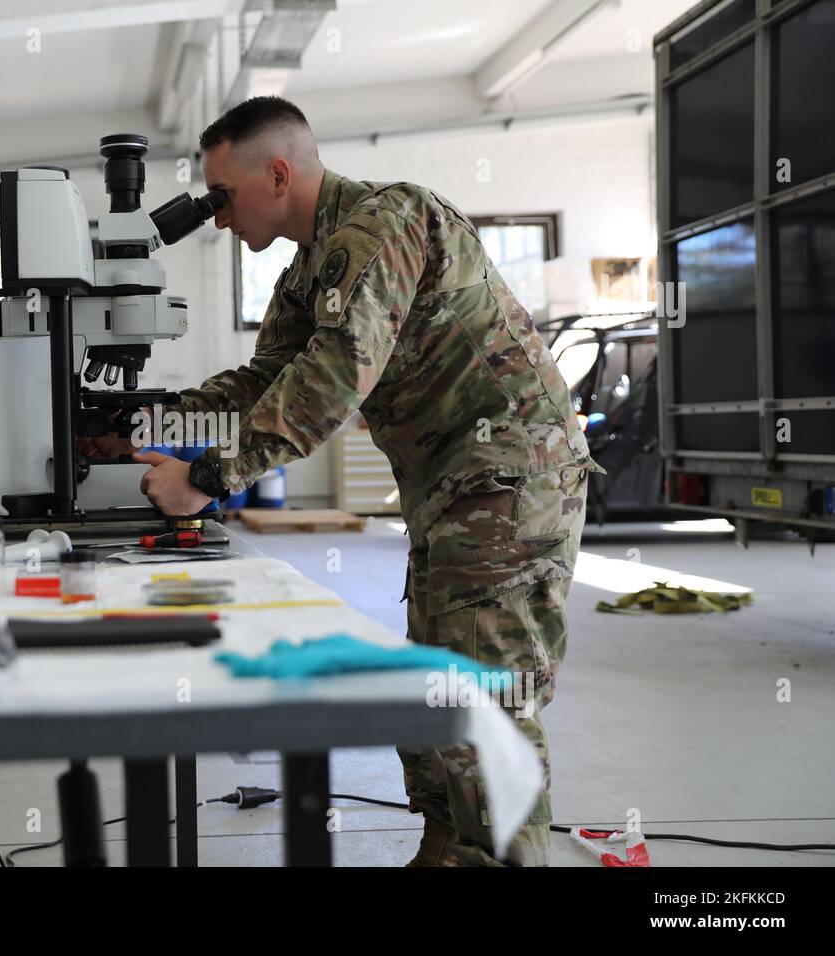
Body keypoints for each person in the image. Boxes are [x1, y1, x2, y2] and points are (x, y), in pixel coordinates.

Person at [96, 95, 599, 865]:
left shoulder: (383, 223)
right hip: (451, 487)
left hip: (511, 478)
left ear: (278, 173)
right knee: (436, 687)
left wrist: (209, 475)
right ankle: (447, 849)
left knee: (489, 694)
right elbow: (263, 381)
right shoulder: (311, 270)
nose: (217, 217)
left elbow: (332, 382)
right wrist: (139, 421)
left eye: (222, 197)